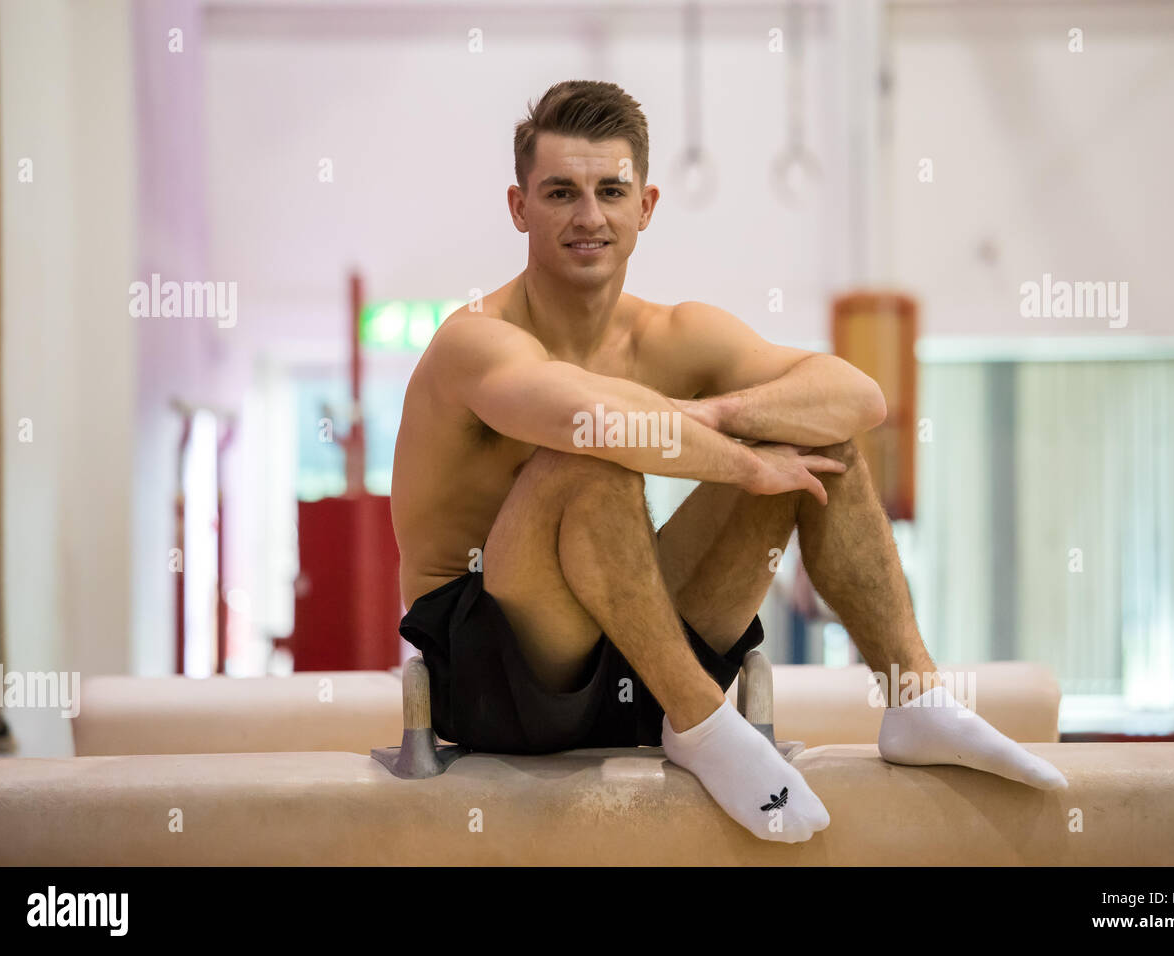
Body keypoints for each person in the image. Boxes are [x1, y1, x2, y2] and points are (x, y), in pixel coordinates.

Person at [391, 80, 1065, 844]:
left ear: (645, 208)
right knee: (583, 461)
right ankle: (706, 724)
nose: (589, 216)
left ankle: (914, 697)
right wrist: (742, 465)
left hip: (641, 656)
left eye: (611, 191)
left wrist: (720, 418)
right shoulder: (476, 341)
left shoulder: (675, 336)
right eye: (560, 193)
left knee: (822, 442)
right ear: (519, 208)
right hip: (499, 678)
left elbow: (857, 395)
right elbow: (592, 421)